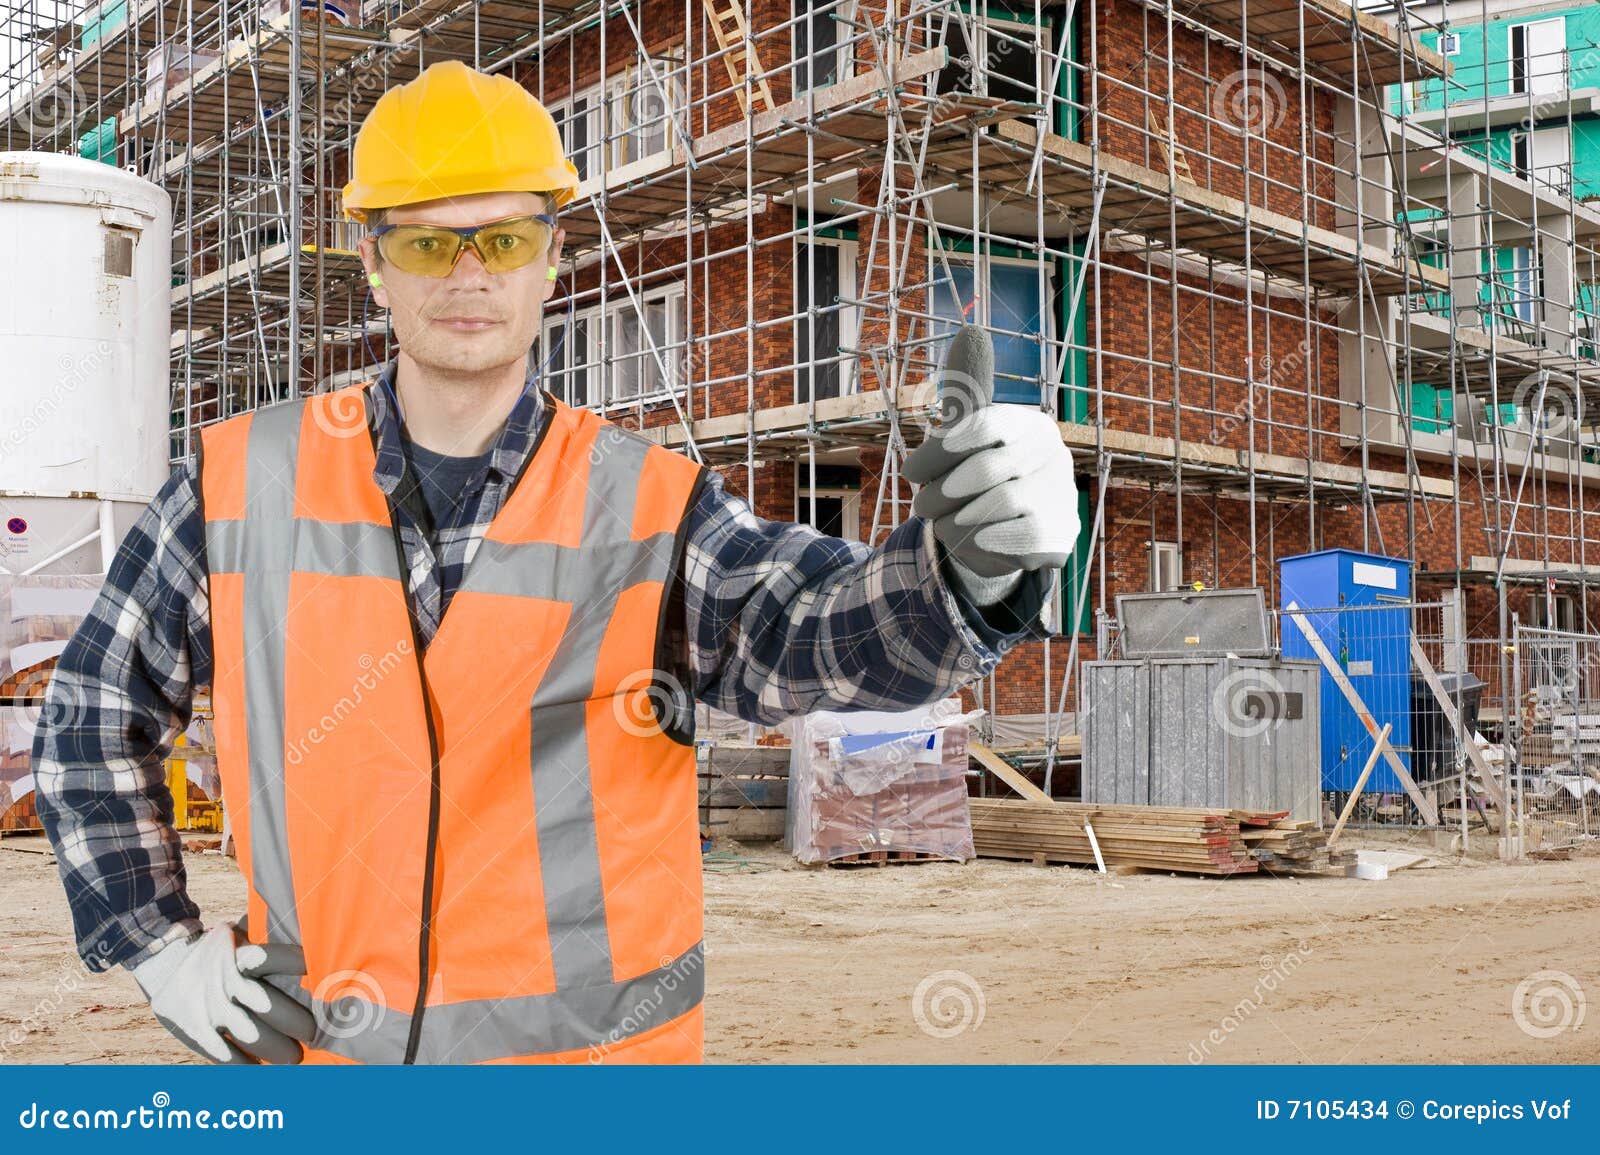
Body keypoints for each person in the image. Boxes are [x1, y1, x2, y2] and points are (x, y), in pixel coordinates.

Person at [32, 60, 1079, 1065]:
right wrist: (155, 942)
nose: (471, 274)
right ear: (371, 260)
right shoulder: (235, 487)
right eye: (430, 247)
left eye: (504, 238)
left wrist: (965, 575)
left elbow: (813, 635)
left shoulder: (648, 506)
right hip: (329, 1070)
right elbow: (90, 710)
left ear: (552, 253)